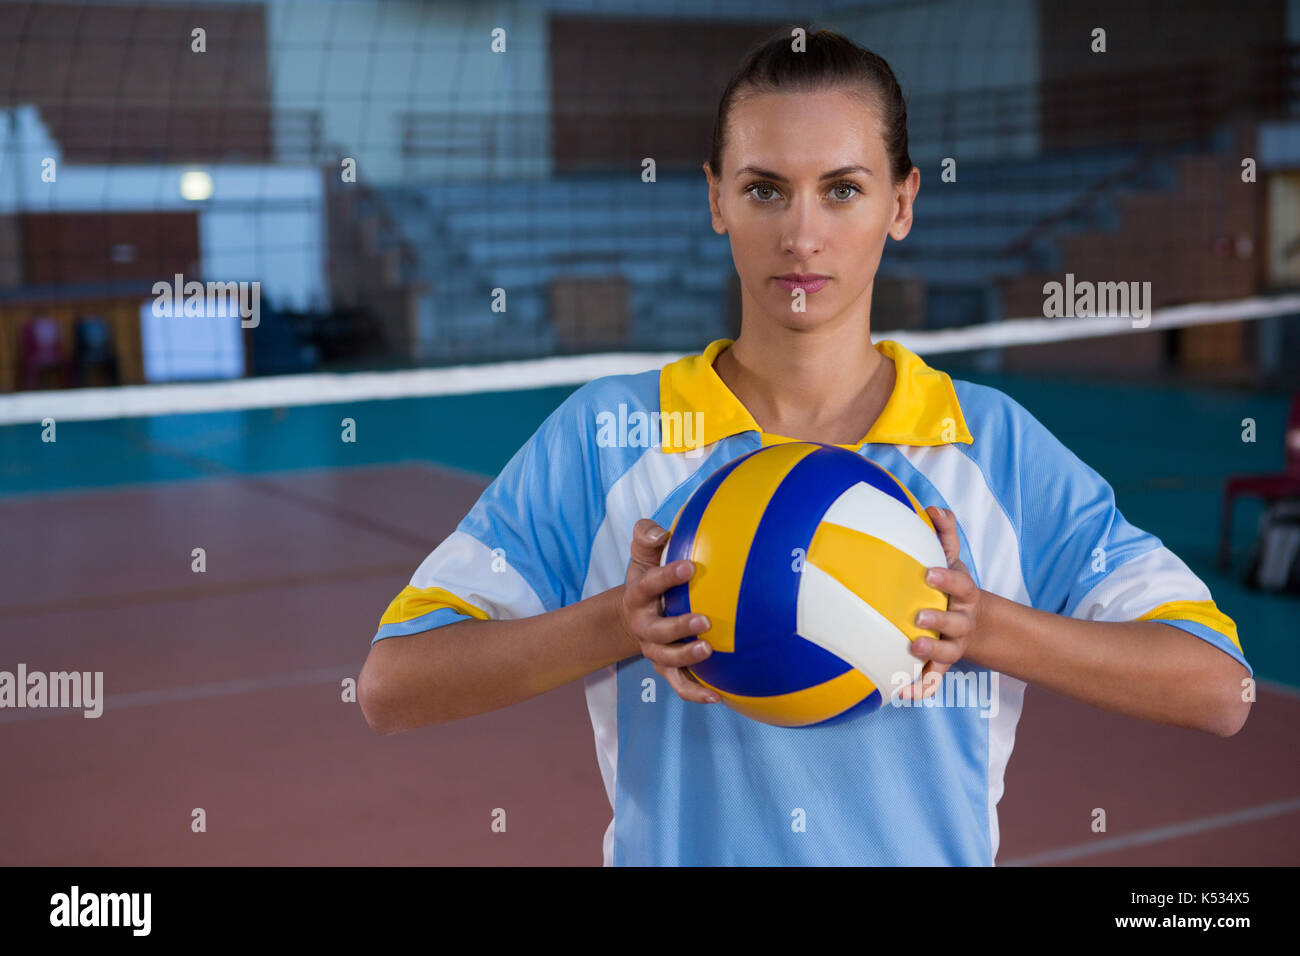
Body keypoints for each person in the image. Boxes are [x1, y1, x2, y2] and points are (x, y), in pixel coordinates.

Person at [358, 29, 1252, 866]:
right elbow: (393, 685)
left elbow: (1219, 690)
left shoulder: (993, 449)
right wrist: (615, 623)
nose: (802, 234)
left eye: (844, 188)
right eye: (764, 189)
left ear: (901, 203)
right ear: (715, 197)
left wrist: (987, 626)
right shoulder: (611, 437)